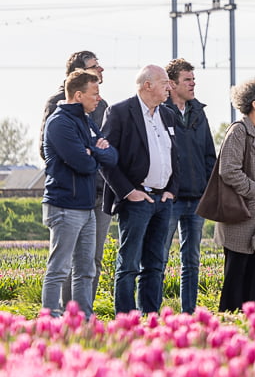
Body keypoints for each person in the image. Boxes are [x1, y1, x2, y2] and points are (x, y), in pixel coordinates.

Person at [97, 65, 179, 315]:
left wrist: (171, 190)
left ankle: (150, 317)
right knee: (129, 264)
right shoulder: (120, 112)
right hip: (136, 199)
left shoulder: (167, 114)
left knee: (155, 264)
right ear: (147, 85)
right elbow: (106, 158)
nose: (170, 86)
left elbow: (175, 156)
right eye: (165, 82)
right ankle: (125, 318)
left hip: (162, 200)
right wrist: (128, 192)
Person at [40, 70, 115, 315]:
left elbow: (112, 155)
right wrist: (95, 154)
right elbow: (82, 164)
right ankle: (51, 317)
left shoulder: (86, 121)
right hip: (64, 205)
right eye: (95, 93)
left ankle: (82, 318)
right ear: (79, 94)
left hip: (86, 206)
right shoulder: (59, 122)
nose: (99, 98)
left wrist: (93, 152)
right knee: (60, 267)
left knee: (86, 269)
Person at [213, 79, 255, 312]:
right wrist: (254, 191)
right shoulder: (238, 131)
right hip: (242, 215)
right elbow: (228, 170)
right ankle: (229, 323)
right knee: (236, 275)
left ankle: (247, 324)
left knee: (253, 276)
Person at [43, 51, 112, 269]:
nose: (100, 70)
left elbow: (108, 148)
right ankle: (65, 305)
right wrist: (87, 157)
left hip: (100, 191)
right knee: (68, 262)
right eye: (95, 66)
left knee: (94, 260)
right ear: (78, 74)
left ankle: (85, 304)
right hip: (72, 194)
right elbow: (47, 150)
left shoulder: (102, 105)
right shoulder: (57, 105)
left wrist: (93, 154)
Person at [164, 59, 218, 314]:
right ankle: (151, 312)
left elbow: (209, 154)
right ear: (172, 84)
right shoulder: (161, 112)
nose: (192, 83)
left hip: (197, 197)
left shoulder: (199, 112)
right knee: (159, 257)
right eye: (187, 80)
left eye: (193, 79)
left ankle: (188, 312)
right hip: (170, 198)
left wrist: (209, 189)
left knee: (191, 261)